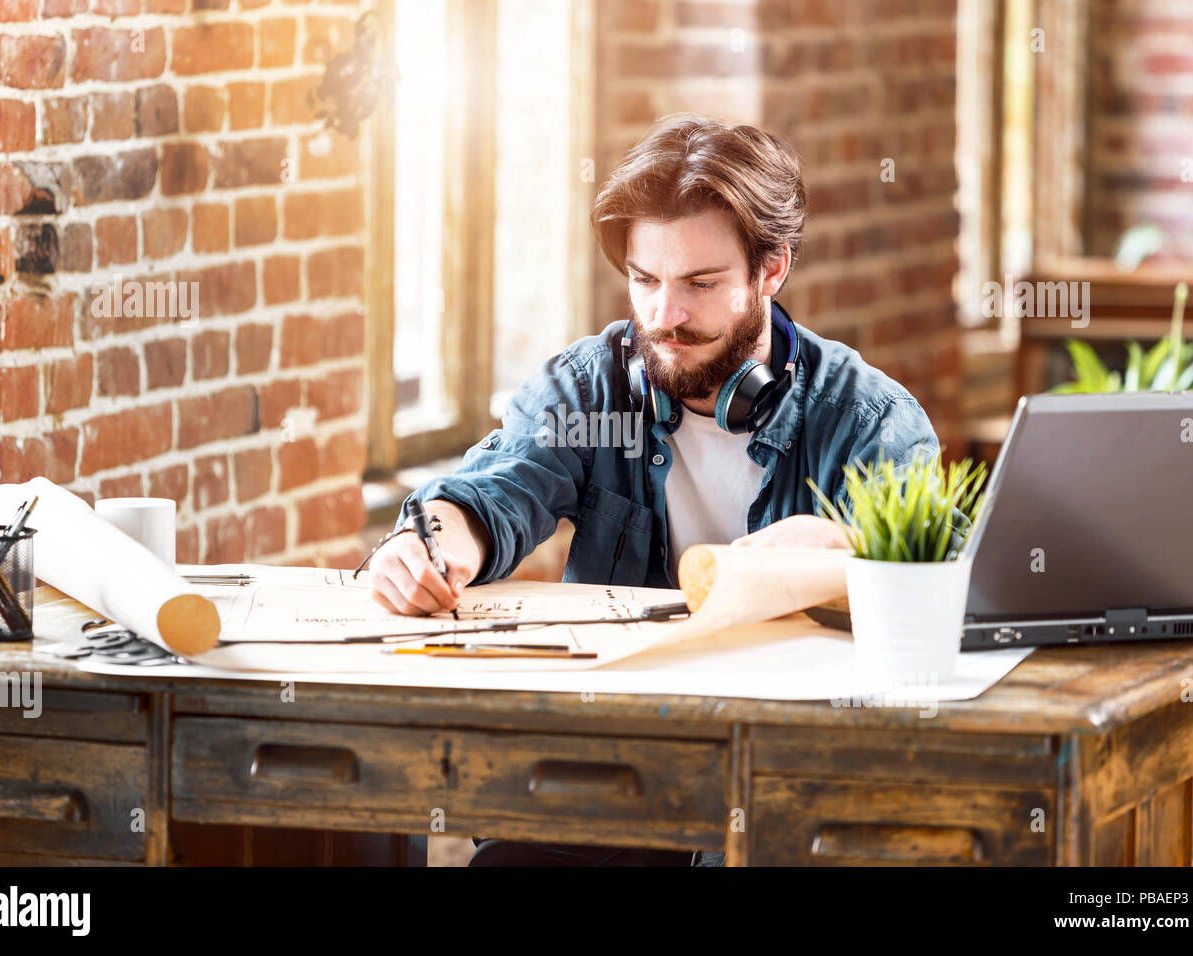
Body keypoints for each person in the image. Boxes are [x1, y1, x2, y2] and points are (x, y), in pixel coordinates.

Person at [366, 114, 940, 866]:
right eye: (645, 281)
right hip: (621, 765)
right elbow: (499, 488)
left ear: (771, 271)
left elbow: (926, 596)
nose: (664, 317)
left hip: (792, 777)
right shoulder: (588, 387)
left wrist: (840, 551)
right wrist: (429, 543)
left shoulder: (872, 421)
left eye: (700, 285)